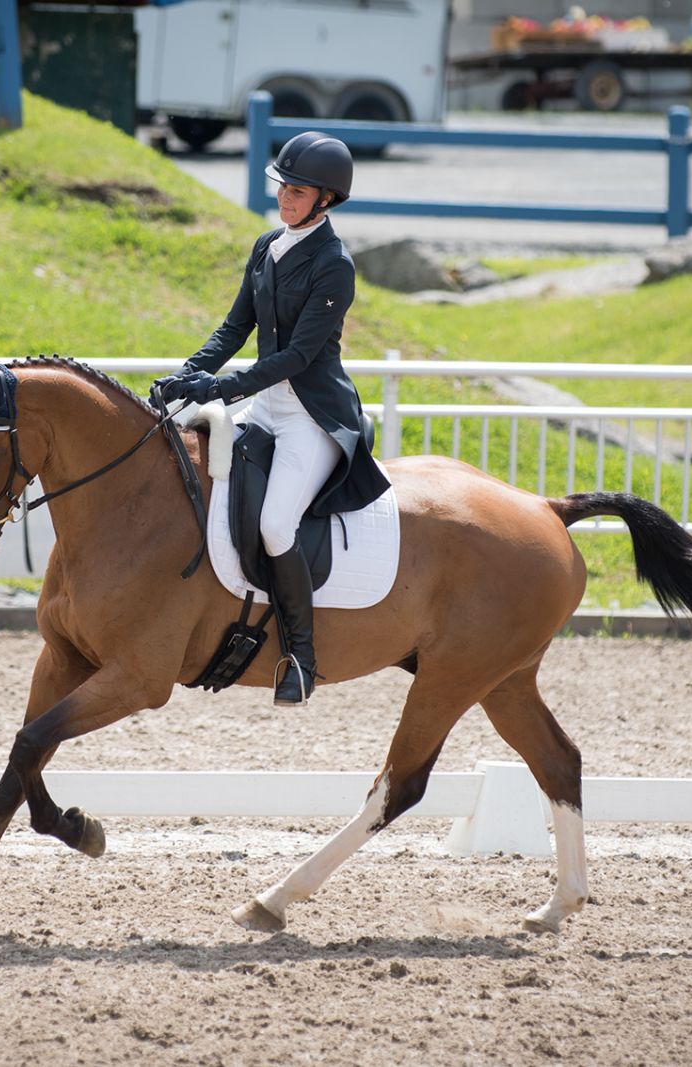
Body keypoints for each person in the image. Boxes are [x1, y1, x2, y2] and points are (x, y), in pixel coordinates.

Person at [156, 132, 391, 706]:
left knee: (276, 526)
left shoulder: (335, 266)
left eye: (299, 190)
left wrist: (219, 386)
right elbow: (236, 328)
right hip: (264, 408)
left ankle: (301, 657)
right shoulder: (267, 246)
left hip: (312, 417)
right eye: (282, 186)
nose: (285, 197)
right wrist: (191, 371)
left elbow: (296, 358)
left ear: (326, 199)